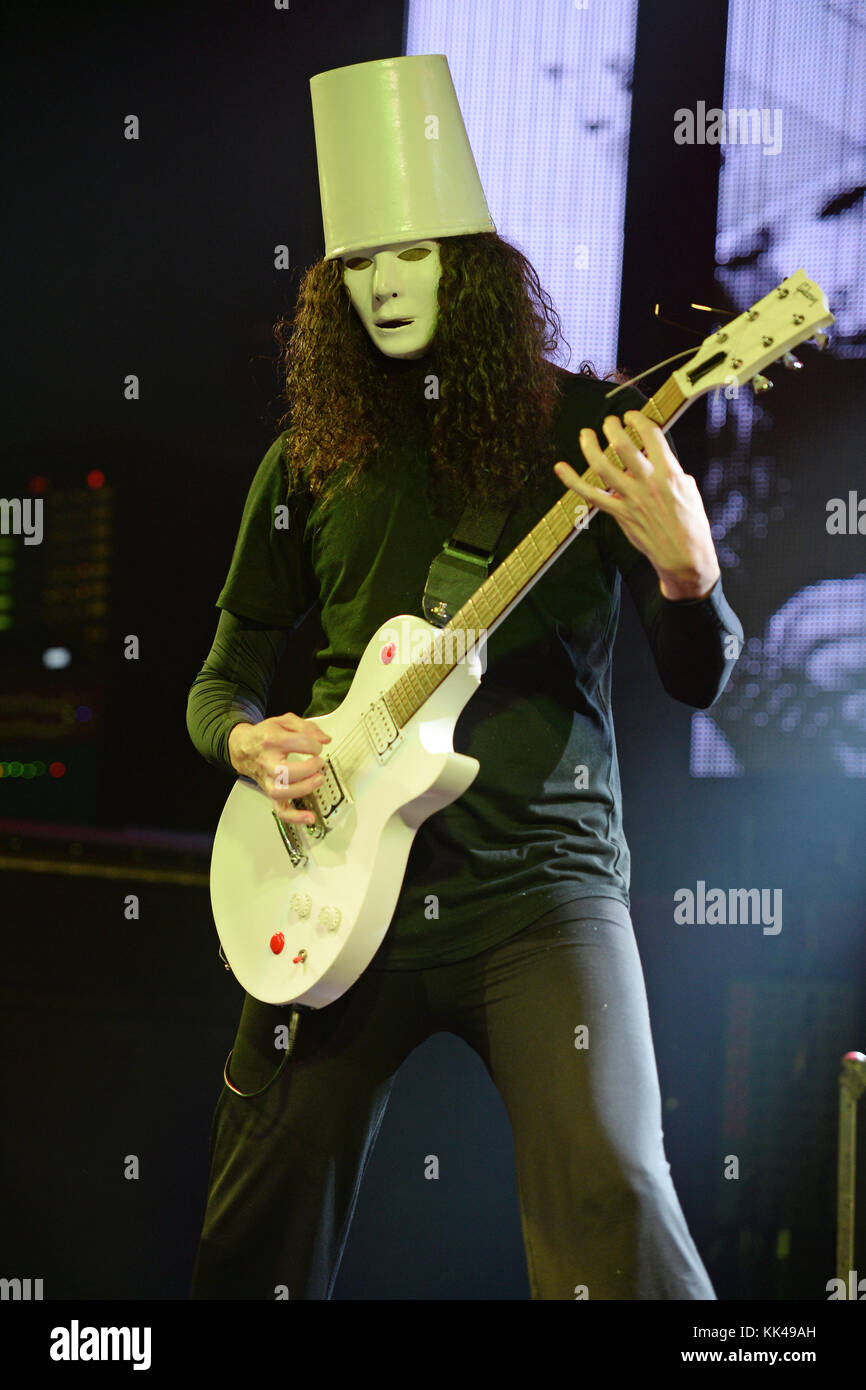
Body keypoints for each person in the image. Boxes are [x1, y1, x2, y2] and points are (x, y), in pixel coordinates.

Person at [186, 55, 743, 1301]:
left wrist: (690, 576)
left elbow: (697, 682)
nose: (386, 286)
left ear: (472, 265)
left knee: (612, 1192)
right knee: (247, 1227)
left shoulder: (589, 439)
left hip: (538, 889)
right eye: (361, 266)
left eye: (415, 254)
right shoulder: (303, 463)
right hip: (335, 889)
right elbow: (218, 676)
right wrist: (242, 743)